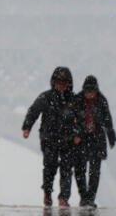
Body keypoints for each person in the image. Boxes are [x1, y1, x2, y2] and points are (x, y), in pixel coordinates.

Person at [22, 66, 81, 207]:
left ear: (69, 83)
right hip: (49, 138)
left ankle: (63, 197)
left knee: (66, 168)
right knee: (50, 166)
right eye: (58, 81)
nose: (61, 85)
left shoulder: (74, 100)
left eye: (64, 82)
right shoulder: (46, 97)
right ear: (53, 82)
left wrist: (78, 133)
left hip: (68, 139)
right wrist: (27, 127)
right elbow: (33, 112)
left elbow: (81, 118)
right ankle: (48, 192)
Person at [73, 75, 116, 208]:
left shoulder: (102, 101)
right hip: (81, 138)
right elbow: (71, 119)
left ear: (96, 91)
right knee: (80, 169)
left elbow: (107, 120)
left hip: (96, 138)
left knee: (94, 170)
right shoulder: (77, 100)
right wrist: (76, 134)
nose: (89, 95)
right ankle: (83, 196)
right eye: (87, 92)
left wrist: (111, 136)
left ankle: (90, 198)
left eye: (92, 92)